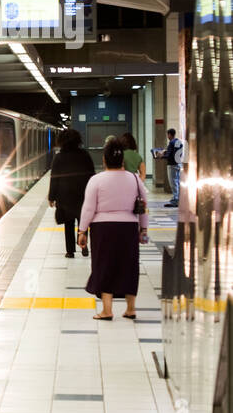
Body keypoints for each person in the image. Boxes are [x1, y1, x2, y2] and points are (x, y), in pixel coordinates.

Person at [78, 138, 149, 320]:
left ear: (104, 160)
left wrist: (82, 231)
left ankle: (107, 310)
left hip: (103, 229)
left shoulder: (96, 180)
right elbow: (144, 205)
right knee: (129, 266)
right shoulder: (134, 179)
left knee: (104, 265)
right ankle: (130, 308)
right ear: (122, 160)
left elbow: (88, 208)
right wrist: (144, 229)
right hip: (129, 227)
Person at [49, 128, 96, 259]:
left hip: (65, 196)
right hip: (83, 194)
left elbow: (54, 178)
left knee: (68, 224)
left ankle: (70, 251)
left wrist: (51, 197)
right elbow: (92, 175)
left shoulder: (59, 157)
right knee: (83, 221)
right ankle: (83, 245)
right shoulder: (85, 155)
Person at [160, 128, 184, 207]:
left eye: (168, 134)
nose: (167, 136)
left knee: (173, 182)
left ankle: (176, 200)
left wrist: (162, 156)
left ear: (170, 134)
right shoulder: (179, 142)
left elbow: (170, 155)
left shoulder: (172, 143)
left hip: (172, 165)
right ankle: (177, 198)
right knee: (177, 182)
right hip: (178, 164)